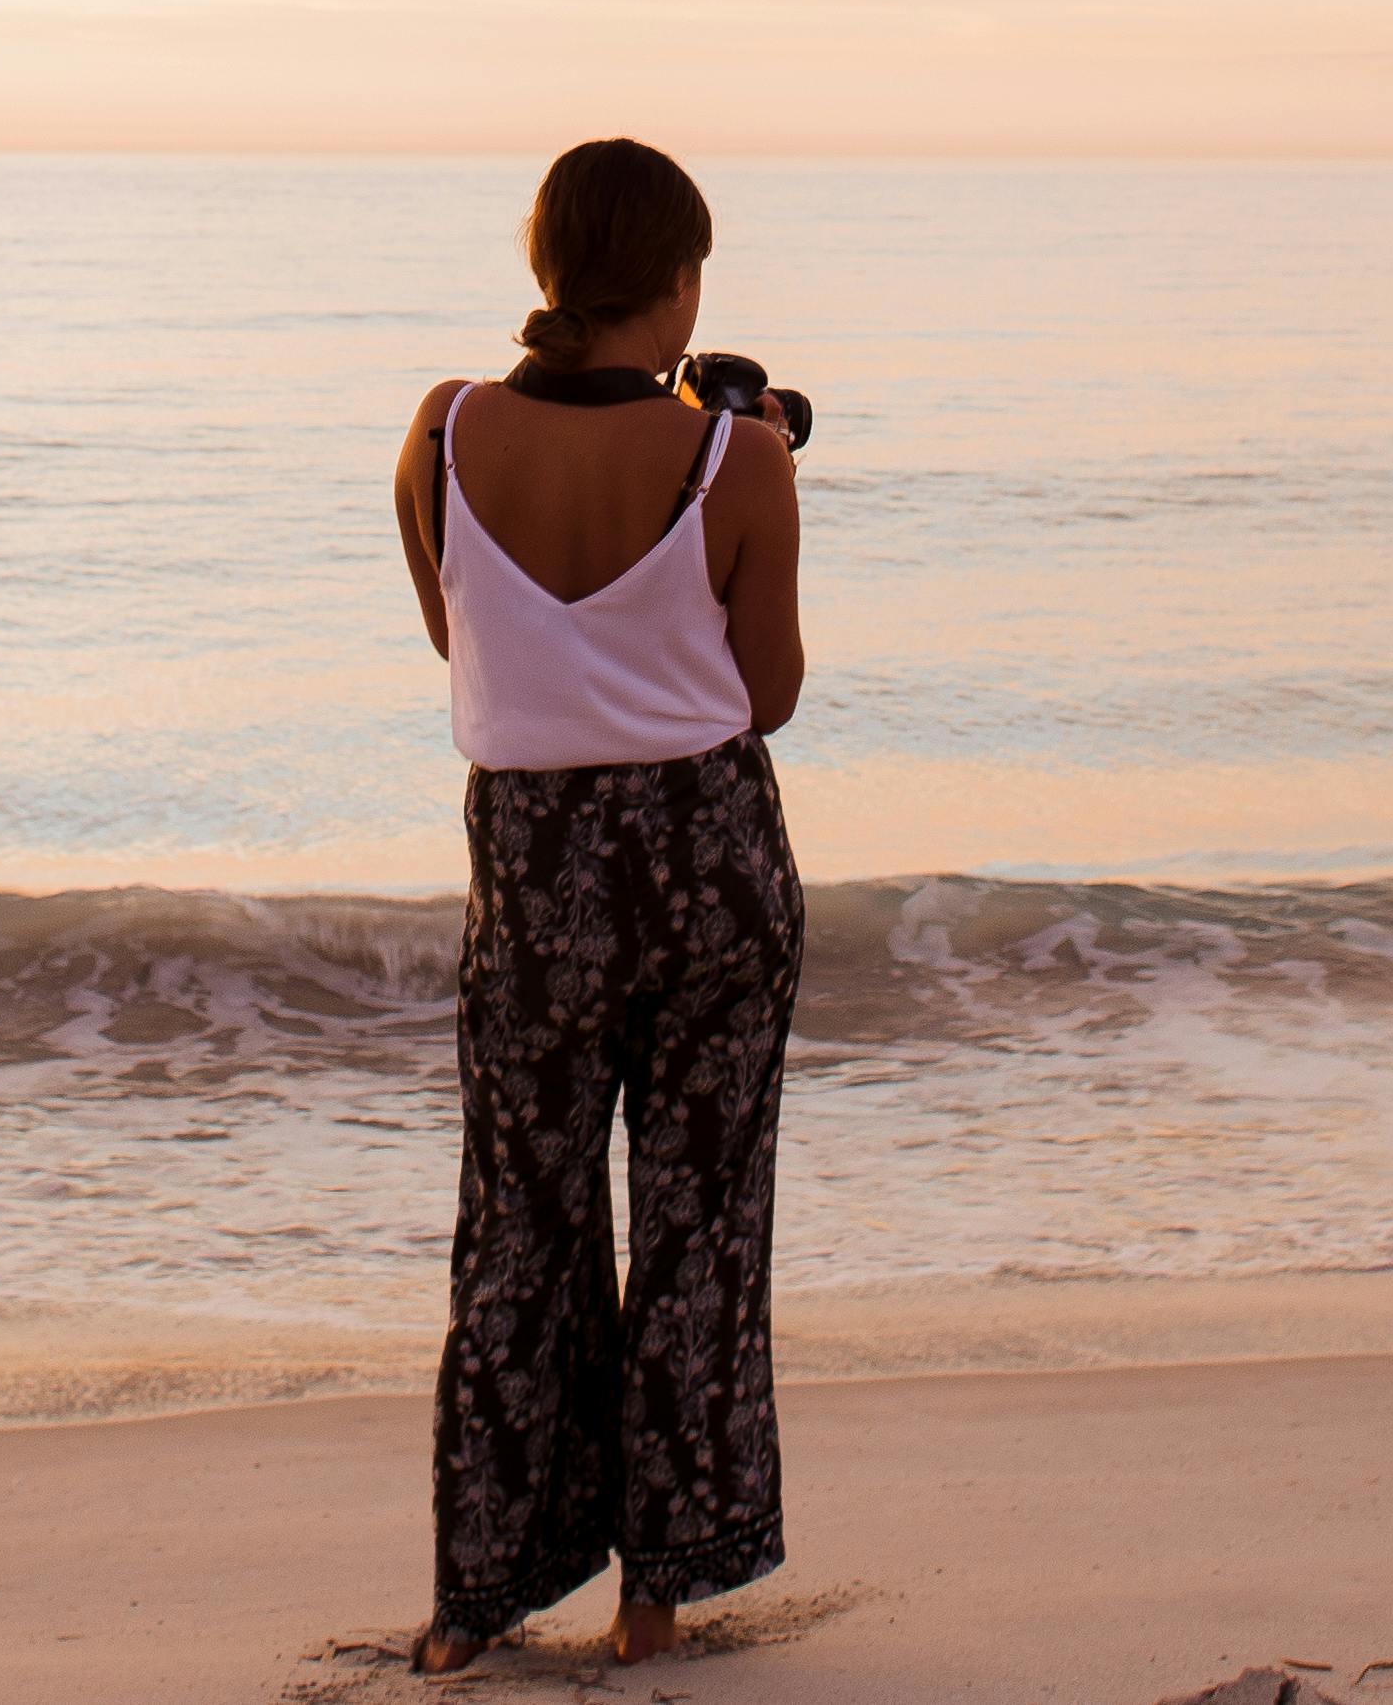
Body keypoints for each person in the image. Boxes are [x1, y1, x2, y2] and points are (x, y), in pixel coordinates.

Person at [388, 137, 809, 1675]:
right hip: (707, 873)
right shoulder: (738, 459)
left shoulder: (441, 431)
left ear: (542, 273)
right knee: (702, 1229)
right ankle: (657, 1598)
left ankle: (477, 1600)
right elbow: (762, 696)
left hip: (534, 879)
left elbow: (470, 649)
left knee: (519, 1230)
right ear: (686, 284)